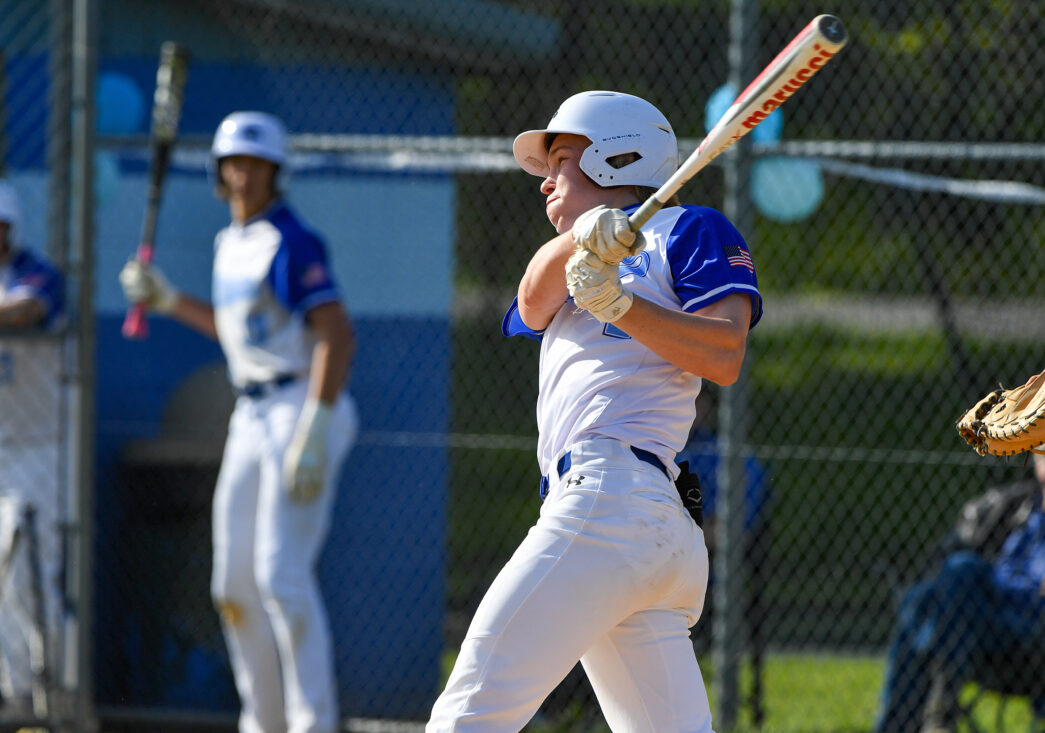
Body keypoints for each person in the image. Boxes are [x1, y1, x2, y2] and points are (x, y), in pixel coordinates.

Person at [427, 90, 762, 732]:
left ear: (616, 157)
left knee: (468, 713)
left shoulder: (688, 228)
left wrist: (621, 304)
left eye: (561, 161)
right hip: (629, 525)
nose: (546, 181)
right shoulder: (573, 254)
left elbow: (723, 354)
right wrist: (587, 239)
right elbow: (531, 300)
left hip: (613, 501)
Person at [118, 111, 358, 733]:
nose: (242, 174)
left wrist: (315, 423)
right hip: (250, 412)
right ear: (219, 172)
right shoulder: (232, 242)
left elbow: (336, 334)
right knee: (231, 583)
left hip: (300, 407)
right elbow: (237, 333)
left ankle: (314, 724)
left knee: (282, 575)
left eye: (255, 164)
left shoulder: (290, 240)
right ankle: (263, 721)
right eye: (233, 163)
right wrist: (169, 300)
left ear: (276, 174)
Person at [873, 422, 1045, 733]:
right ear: (1036, 459)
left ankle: (934, 711)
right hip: (978, 619)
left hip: (1039, 632)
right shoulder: (1005, 506)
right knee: (957, 573)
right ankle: (937, 712)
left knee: (921, 609)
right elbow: (945, 559)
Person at [0, 180, 66, 719]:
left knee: (30, 580)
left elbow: (28, 310)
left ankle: (51, 699)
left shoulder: (36, 272)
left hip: (36, 449)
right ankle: (15, 700)